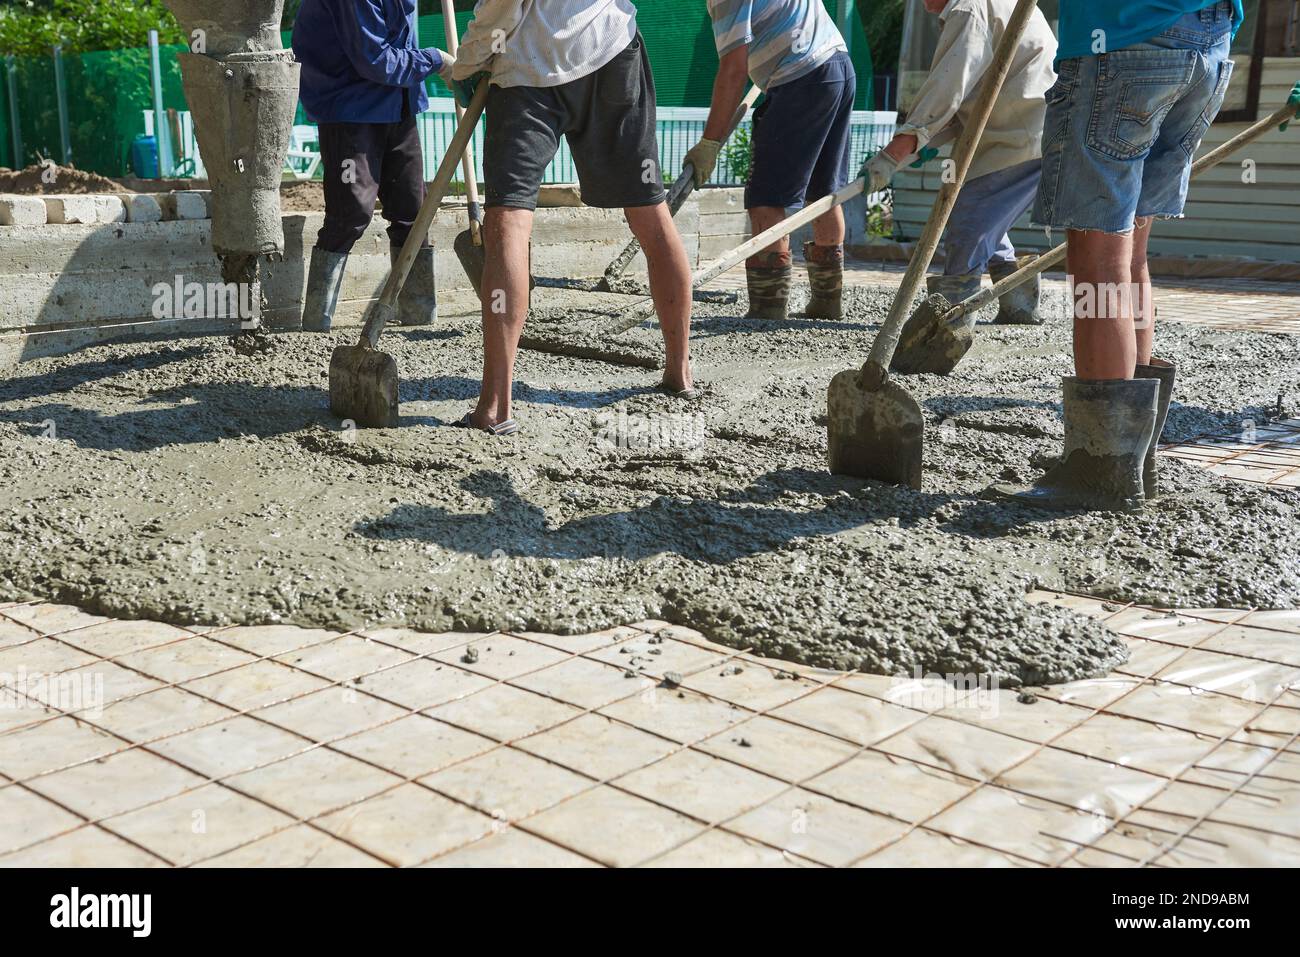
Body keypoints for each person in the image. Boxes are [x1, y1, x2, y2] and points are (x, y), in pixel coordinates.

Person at [996, 0, 1242, 511]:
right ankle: (1133, 459)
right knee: (1128, 256)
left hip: (1123, 40)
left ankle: (1101, 468)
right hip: (1206, 43)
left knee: (1097, 260)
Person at [450, 0, 696, 436]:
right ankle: (679, 372)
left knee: (507, 220)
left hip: (528, 70)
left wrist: (466, 64)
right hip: (610, 52)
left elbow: (501, 7)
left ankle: (495, 406)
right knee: (650, 213)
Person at [864, 0, 1056, 325]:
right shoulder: (985, 5)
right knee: (979, 214)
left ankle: (951, 318)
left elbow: (947, 88)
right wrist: (925, 143)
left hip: (1020, 132)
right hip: (1026, 125)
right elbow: (974, 88)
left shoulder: (968, 9)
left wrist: (894, 153)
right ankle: (1018, 302)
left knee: (969, 219)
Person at [684, 0, 856, 321]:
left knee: (766, 198)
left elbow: (733, 70)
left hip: (800, 76)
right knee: (824, 192)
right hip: (837, 66)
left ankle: (768, 308)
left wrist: (709, 142)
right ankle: (827, 302)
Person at [293, 0, 454, 332]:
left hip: (399, 104)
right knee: (350, 213)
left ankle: (419, 315)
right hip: (351, 110)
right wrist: (437, 60)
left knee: (414, 210)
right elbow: (374, 59)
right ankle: (316, 321)